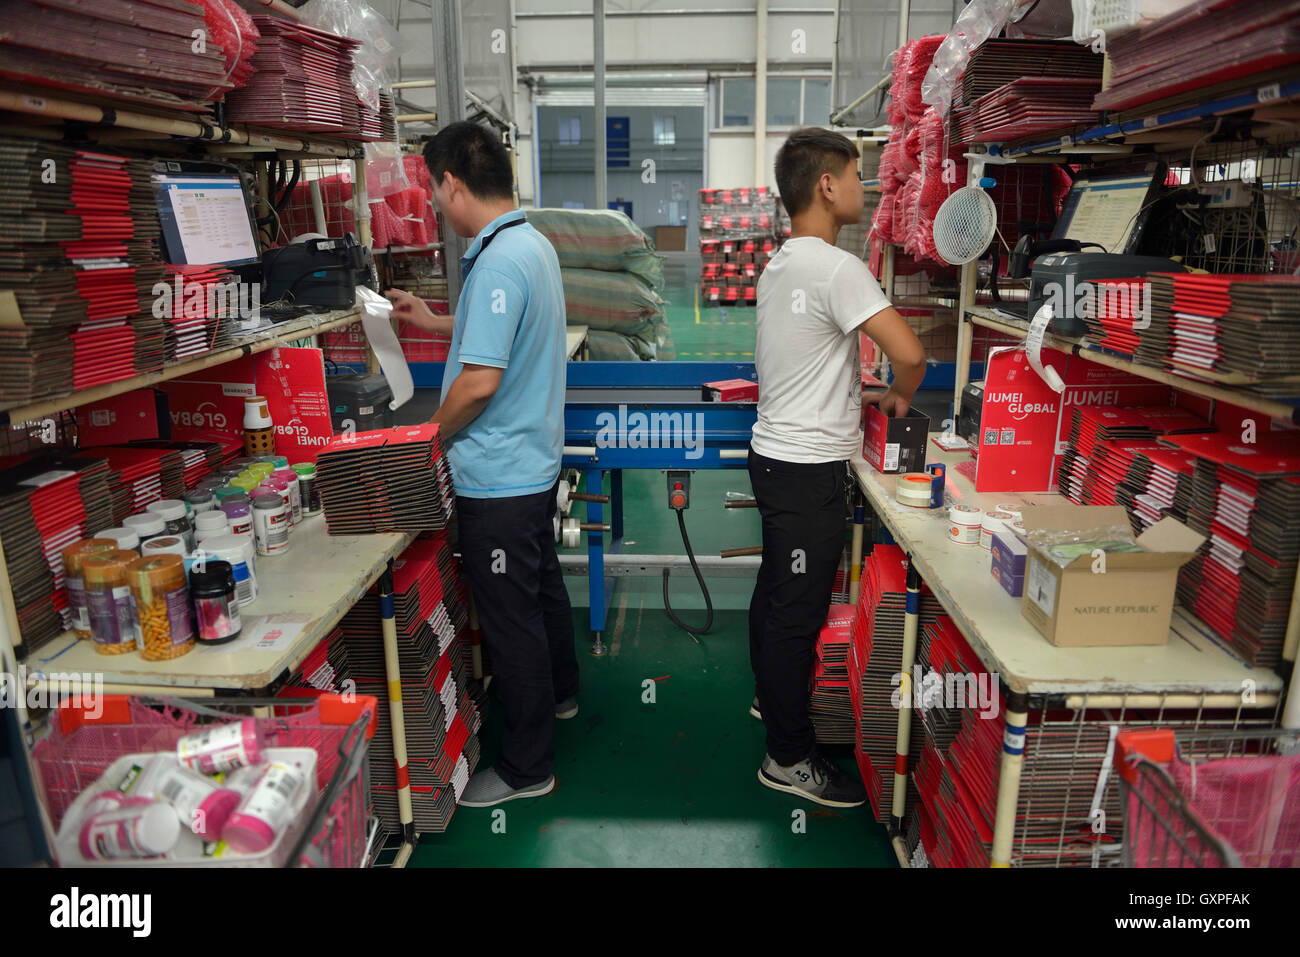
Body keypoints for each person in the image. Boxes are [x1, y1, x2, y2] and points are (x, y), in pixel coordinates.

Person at [385, 121, 578, 808]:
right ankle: (560, 695)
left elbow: (477, 383)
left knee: (509, 619)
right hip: (534, 461)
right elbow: (497, 330)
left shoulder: (496, 261)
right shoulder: (530, 246)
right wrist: (435, 319)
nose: (436, 204)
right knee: (541, 589)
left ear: (454, 184)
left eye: (435, 190)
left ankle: (527, 768)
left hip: (499, 474)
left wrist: (422, 440)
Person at [748, 127, 926, 808]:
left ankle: (773, 702)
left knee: (775, 594)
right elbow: (909, 353)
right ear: (826, 185)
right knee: (798, 610)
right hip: (808, 468)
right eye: (857, 174)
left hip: (774, 457)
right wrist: (900, 396)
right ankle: (788, 756)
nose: (865, 186)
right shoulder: (835, 267)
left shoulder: (783, 262)